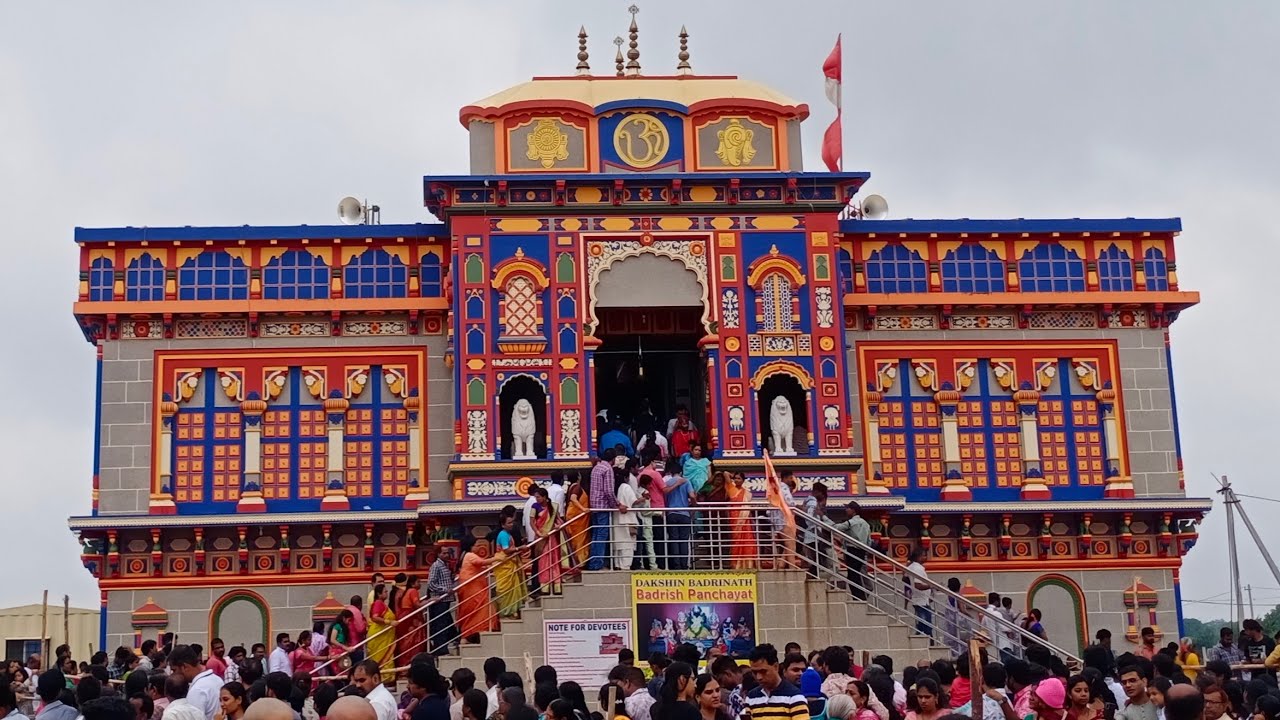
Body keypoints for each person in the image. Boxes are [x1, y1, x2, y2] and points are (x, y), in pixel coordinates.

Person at [744, 645, 807, 720]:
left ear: (776, 667)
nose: (759, 677)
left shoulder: (795, 698)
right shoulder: (751, 697)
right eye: (754, 672)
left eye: (763, 671)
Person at [457, 537, 501, 643]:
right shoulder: (470, 555)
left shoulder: (466, 556)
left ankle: (469, 634)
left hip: (471, 586)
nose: (477, 547)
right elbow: (482, 562)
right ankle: (480, 629)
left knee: (473, 610)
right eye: (476, 545)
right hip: (472, 587)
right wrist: (498, 558)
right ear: (471, 546)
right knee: (481, 607)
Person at [170, 646, 221, 720]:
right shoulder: (217, 679)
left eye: (174, 670)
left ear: (184, 667)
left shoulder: (197, 690)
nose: (173, 675)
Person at [426, 549, 459, 655]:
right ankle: (441, 649)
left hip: (446, 600)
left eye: (447, 553)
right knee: (441, 624)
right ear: (438, 554)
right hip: (440, 599)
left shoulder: (446, 565)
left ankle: (450, 642)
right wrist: (445, 590)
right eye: (443, 553)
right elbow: (431, 583)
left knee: (446, 623)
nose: (446, 555)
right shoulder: (436, 566)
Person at [494, 511, 526, 618]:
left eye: (512, 522)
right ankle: (506, 612)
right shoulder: (503, 534)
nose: (511, 524)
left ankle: (513, 611)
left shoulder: (508, 534)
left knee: (513, 589)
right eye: (509, 523)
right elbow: (506, 550)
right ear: (503, 525)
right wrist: (519, 548)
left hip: (511, 563)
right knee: (506, 590)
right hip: (505, 565)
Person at [664, 463, 694, 570]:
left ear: (671, 473)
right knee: (684, 540)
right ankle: (684, 564)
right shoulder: (686, 481)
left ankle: (676, 565)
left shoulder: (667, 482)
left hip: (671, 513)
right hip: (684, 514)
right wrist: (694, 504)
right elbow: (692, 496)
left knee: (674, 539)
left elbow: (665, 496)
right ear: (681, 472)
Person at [723, 472, 756, 570]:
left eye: (739, 478)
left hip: (745, 520)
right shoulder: (731, 489)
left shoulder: (747, 493)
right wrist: (732, 475)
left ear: (743, 480)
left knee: (747, 540)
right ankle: (736, 565)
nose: (737, 480)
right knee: (737, 541)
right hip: (735, 519)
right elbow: (725, 473)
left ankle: (747, 565)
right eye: (735, 478)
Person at [365, 584, 396, 680]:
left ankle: (385, 678)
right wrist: (389, 622)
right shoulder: (378, 603)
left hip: (384, 636)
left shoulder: (382, 604)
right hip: (379, 635)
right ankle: (382, 678)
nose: (387, 593)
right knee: (379, 657)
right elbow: (374, 617)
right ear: (379, 594)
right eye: (385, 592)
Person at [799, 483, 829, 578]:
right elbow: (810, 518)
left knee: (818, 557)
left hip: (810, 534)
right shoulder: (812, 502)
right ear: (817, 492)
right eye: (823, 495)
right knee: (819, 557)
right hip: (813, 534)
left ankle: (812, 576)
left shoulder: (808, 502)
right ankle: (811, 576)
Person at [396, 575, 426, 666]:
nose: (420, 584)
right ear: (413, 584)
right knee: (413, 643)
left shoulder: (407, 591)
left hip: (405, 617)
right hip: (411, 619)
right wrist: (430, 601)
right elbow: (417, 605)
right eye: (418, 582)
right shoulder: (413, 591)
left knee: (406, 643)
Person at [614, 468, 641, 570]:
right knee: (628, 544)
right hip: (628, 519)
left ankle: (617, 564)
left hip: (617, 519)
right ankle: (625, 566)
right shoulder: (626, 487)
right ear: (626, 478)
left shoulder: (616, 488)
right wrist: (643, 499)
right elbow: (634, 502)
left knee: (619, 544)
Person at [564, 473, 592, 572]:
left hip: (573, 516)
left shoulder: (570, 487)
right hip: (577, 517)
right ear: (578, 477)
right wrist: (583, 509)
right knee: (579, 539)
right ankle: (580, 562)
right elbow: (573, 499)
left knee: (576, 540)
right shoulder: (577, 487)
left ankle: (577, 562)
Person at [904, 547, 932, 638]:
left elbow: (905, 579)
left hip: (919, 599)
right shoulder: (917, 568)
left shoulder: (911, 567)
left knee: (922, 624)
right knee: (926, 626)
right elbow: (918, 585)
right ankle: (927, 642)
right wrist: (932, 586)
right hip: (921, 601)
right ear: (918, 557)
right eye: (924, 556)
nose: (926, 557)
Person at [345, 596, 367, 664]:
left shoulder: (346, 610)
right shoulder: (356, 612)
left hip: (347, 645)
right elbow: (361, 629)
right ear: (360, 604)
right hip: (356, 645)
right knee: (358, 667)